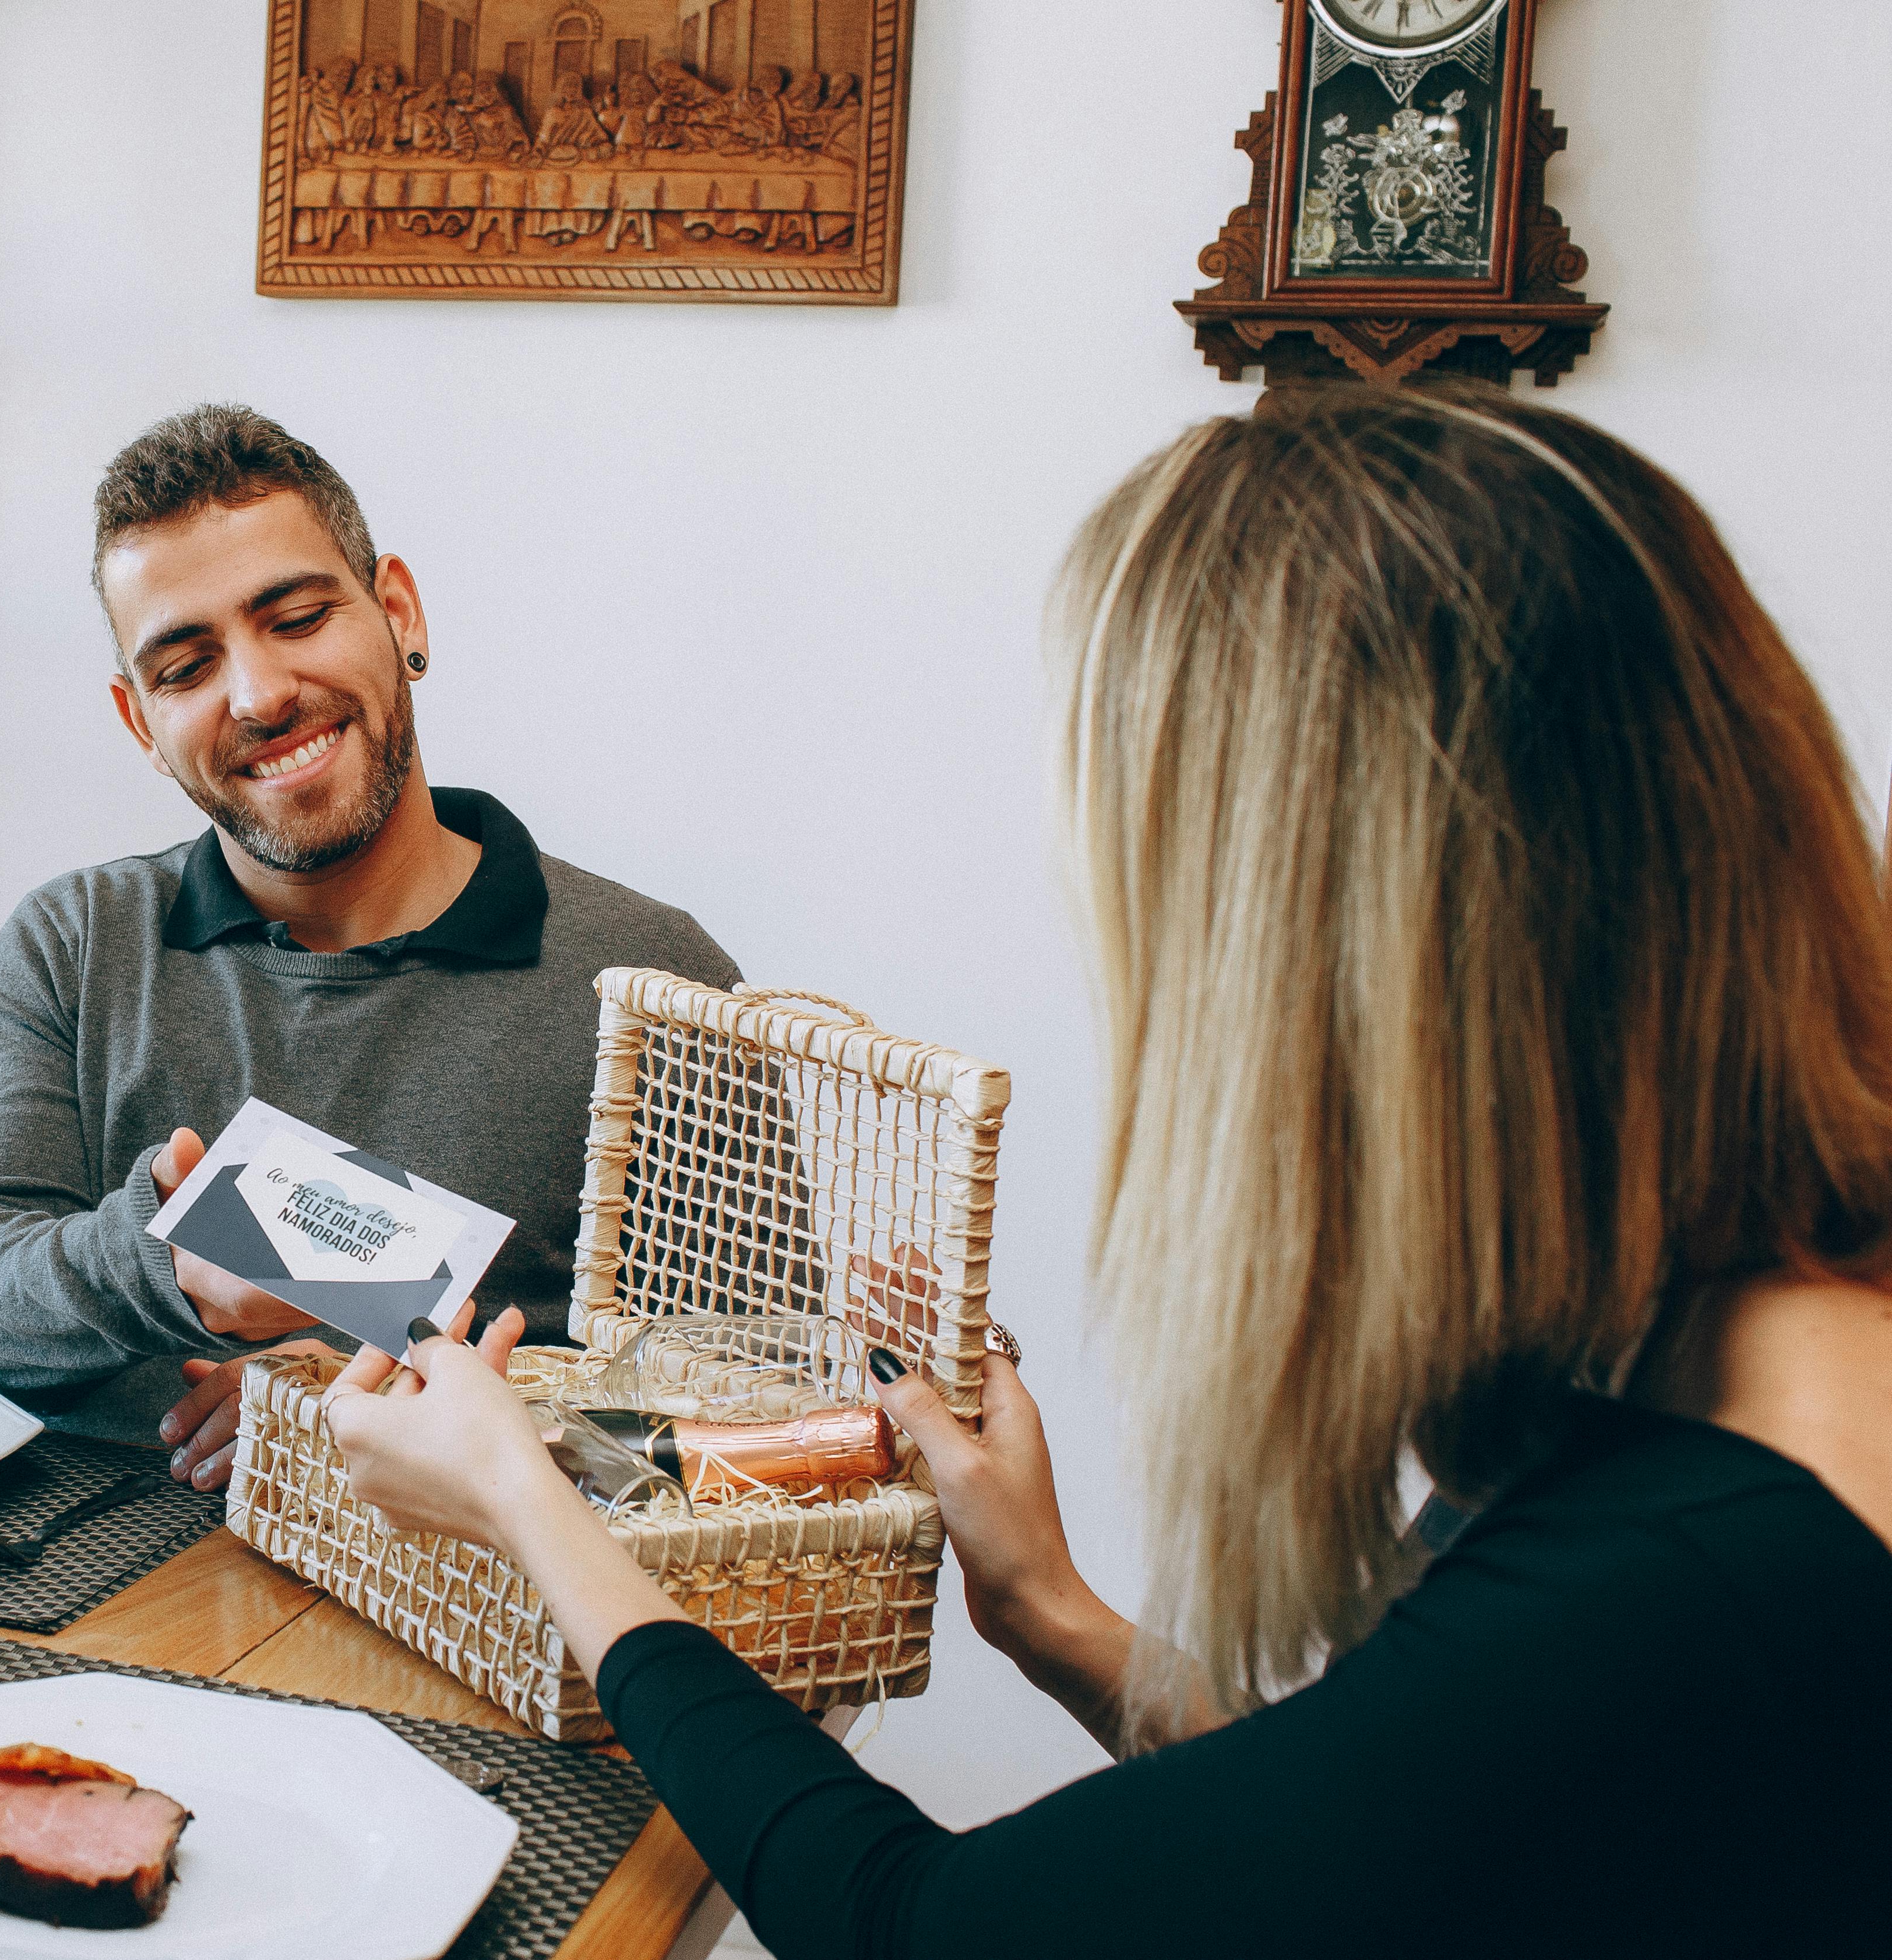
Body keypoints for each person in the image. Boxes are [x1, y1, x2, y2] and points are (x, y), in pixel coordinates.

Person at [326, 385, 1892, 1955]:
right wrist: (1049, 1609)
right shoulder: (1739, 1383)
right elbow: (1385, 1831)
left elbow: (915, 1929)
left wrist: (526, 1502)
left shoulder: (1681, 1587)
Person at [0, 405, 737, 1489]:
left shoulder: (651, 981)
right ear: (140, 724)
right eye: (185, 668)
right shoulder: (73, 943)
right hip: (75, 1565)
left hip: (480, 1580)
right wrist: (169, 1266)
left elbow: (755, 1404)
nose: (258, 696)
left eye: (296, 618)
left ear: (397, 613)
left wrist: (382, 1403)